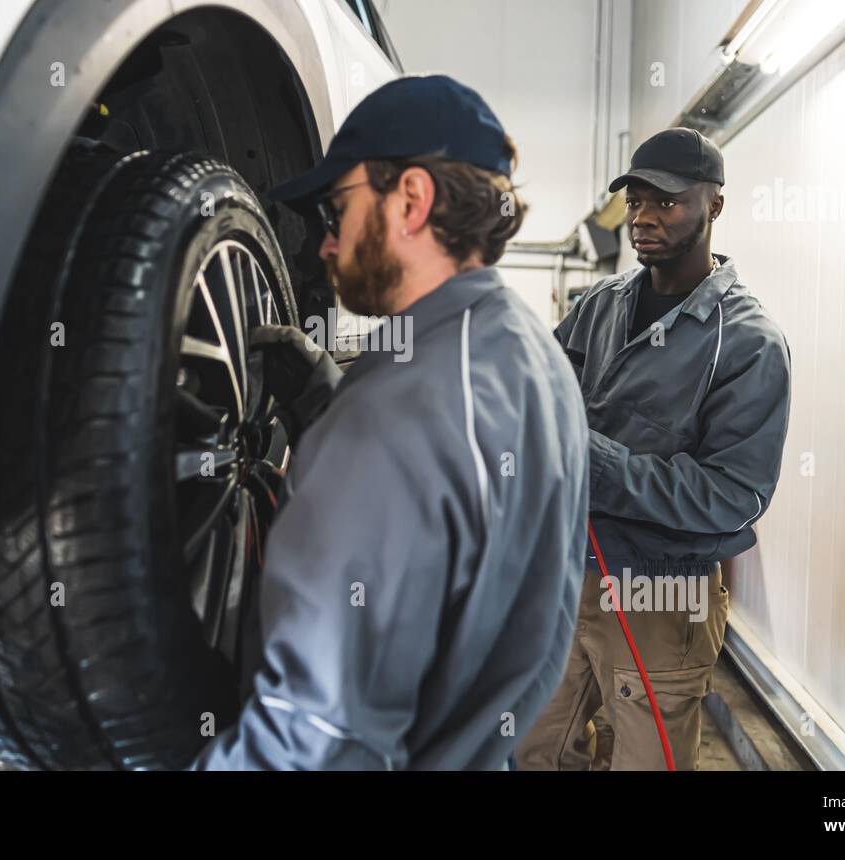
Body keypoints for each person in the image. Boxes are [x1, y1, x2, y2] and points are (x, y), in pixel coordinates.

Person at [190, 75, 589, 770]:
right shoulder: (530, 356)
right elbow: (445, 520)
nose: (321, 244)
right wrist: (324, 398)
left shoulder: (391, 423)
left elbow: (315, 740)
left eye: (333, 209)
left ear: (410, 200)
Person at [517, 127, 791, 771]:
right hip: (566, 579)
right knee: (530, 748)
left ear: (713, 206)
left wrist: (597, 461)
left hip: (662, 599)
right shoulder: (602, 306)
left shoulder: (748, 343)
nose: (642, 218)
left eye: (666, 203)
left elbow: (736, 498)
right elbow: (538, 392)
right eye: (636, 200)